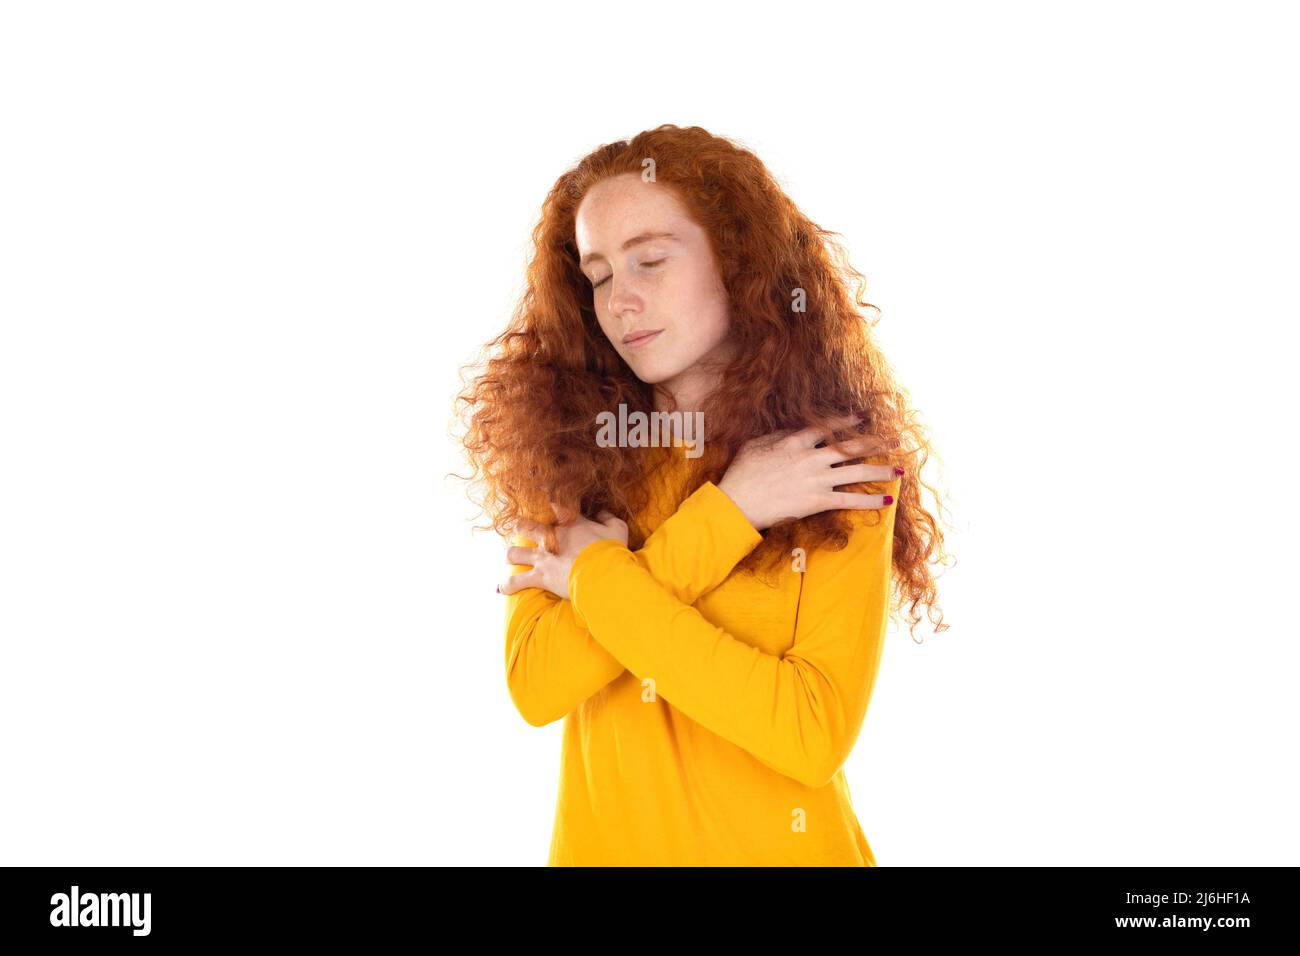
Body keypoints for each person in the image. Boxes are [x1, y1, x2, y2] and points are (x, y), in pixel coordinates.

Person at [454, 124, 949, 865]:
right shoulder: (569, 464)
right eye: (598, 275)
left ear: (737, 259)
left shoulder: (836, 469)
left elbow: (809, 736)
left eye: (650, 260)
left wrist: (596, 576)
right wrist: (730, 515)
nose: (621, 300)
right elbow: (539, 685)